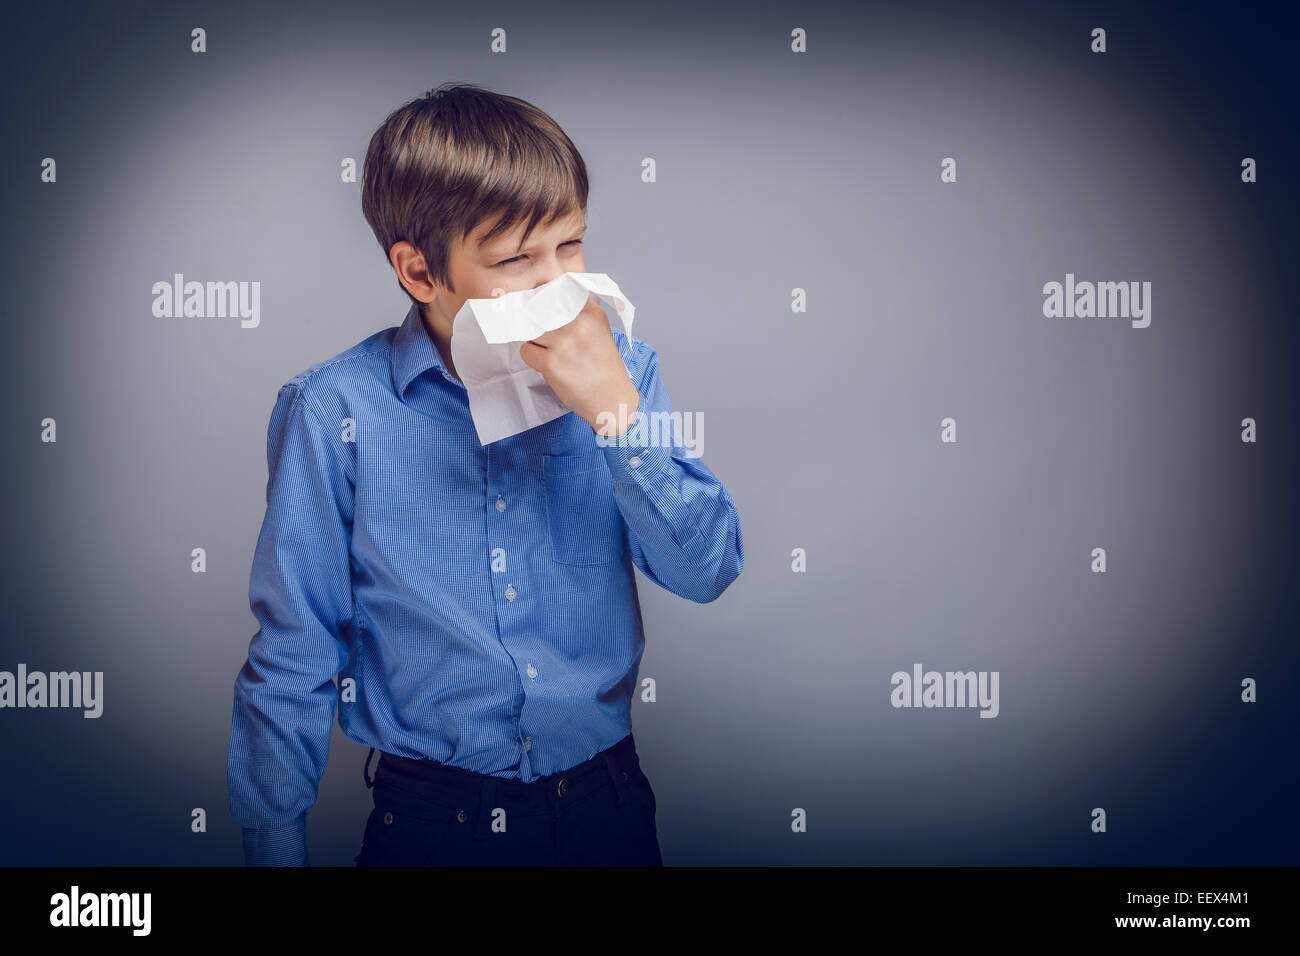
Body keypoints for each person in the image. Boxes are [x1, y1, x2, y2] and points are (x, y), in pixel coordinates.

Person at [225, 82, 744, 866]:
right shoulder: (335, 410)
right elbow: (295, 649)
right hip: (433, 823)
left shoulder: (624, 368)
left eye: (571, 246)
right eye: (515, 259)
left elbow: (707, 572)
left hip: (607, 807)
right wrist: (272, 846)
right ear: (421, 272)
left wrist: (617, 420)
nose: (557, 284)